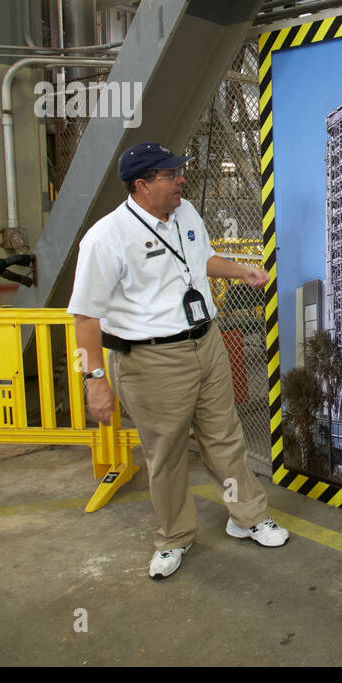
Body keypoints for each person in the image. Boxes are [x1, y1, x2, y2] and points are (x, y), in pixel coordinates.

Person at [68, 142, 289, 579]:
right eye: (171, 175)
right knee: (166, 451)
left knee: (224, 435)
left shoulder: (185, 213)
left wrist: (240, 270)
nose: (181, 180)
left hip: (205, 342)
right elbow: (85, 316)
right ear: (142, 185)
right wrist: (94, 379)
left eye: (179, 172)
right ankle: (174, 538)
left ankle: (246, 516)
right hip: (152, 359)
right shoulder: (106, 238)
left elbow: (202, 259)